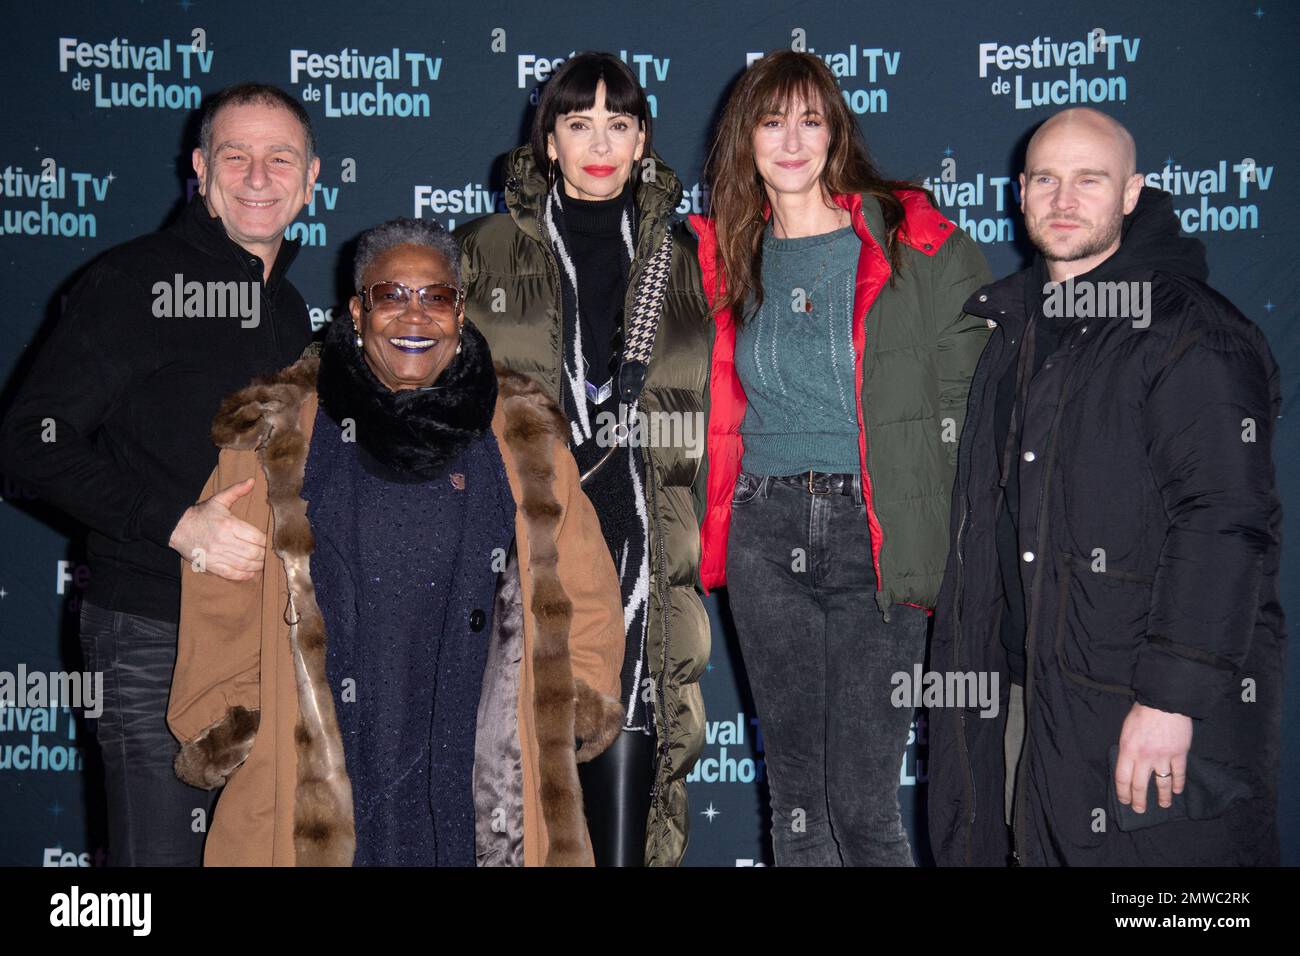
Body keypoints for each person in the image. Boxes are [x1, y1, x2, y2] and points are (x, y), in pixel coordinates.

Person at [166, 218, 625, 866]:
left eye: (435, 297)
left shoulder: (522, 432)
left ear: (459, 311)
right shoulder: (275, 434)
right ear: (358, 310)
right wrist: (224, 716)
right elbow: (221, 588)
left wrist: (579, 695)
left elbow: (583, 579)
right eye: (392, 295)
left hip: (474, 745)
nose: (415, 316)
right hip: (326, 745)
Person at [927, 107, 1284, 866]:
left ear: (1131, 193)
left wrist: (1170, 700)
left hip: (1137, 701)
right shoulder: (1013, 332)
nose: (1064, 199)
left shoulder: (1190, 332)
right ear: (1019, 193)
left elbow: (1226, 522)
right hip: (1029, 693)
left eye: (1090, 180)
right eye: (1046, 179)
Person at [0, 83, 319, 866]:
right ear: (201, 170)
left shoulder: (291, 309)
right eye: (235, 157)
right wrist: (176, 522)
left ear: (311, 180)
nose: (257, 177)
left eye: (279, 159)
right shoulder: (135, 283)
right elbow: (28, 442)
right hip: (153, 635)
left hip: (261, 645)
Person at [690, 50, 991, 866]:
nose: (791, 140)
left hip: (877, 532)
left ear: (836, 132)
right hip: (764, 532)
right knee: (796, 804)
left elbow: (969, 406)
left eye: (810, 120)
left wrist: (956, 538)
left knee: (862, 804)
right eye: (771, 120)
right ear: (744, 139)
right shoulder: (722, 256)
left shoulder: (913, 243)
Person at [455, 52, 711, 866]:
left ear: (643, 142)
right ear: (550, 141)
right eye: (578, 122)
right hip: (518, 550)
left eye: (619, 123)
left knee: (627, 802)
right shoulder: (478, 251)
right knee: (511, 788)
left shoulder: (693, 261)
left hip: (641, 547)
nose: (599, 142)